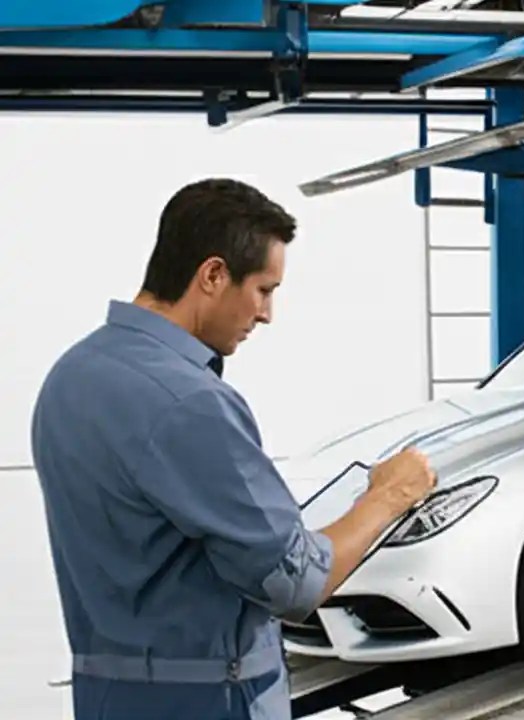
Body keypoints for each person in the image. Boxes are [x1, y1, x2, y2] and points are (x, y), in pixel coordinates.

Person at [29, 178, 438, 719]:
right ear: (213, 274)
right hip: (209, 702)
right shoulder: (189, 403)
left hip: (108, 699)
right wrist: (387, 496)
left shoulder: (69, 378)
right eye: (264, 290)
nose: (267, 314)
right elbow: (296, 583)